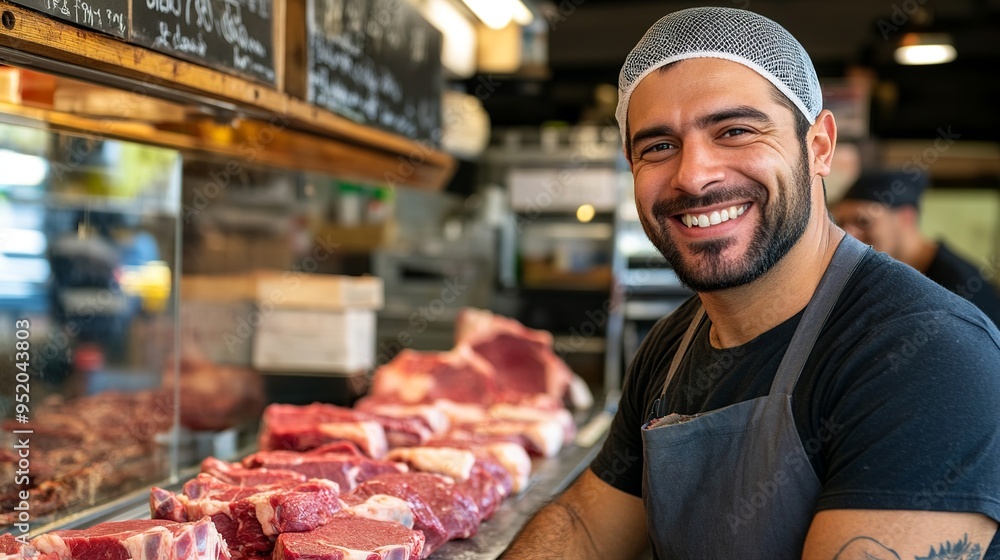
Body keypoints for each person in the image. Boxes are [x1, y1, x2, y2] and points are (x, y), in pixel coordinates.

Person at [503, 7, 1000, 560]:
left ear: (819, 147)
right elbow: (585, 526)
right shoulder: (671, 348)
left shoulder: (928, 353)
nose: (694, 175)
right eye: (658, 146)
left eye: (735, 131)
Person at [833, 170, 1000, 326]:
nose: (849, 235)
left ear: (906, 217)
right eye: (841, 223)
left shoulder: (961, 286)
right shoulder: (880, 276)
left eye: (863, 222)